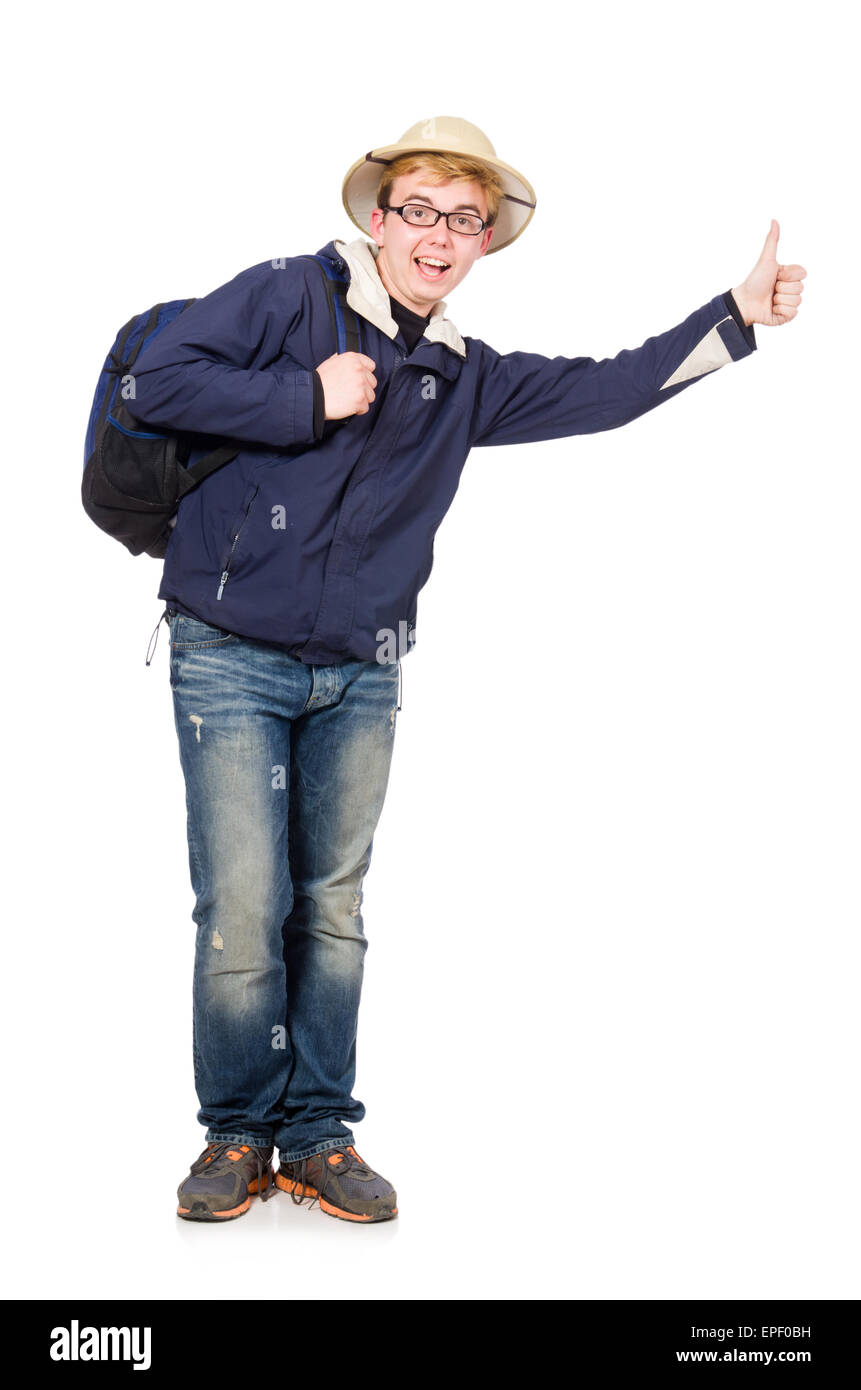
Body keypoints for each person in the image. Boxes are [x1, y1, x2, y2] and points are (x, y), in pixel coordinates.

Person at [126, 116, 806, 1224]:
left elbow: (610, 389)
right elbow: (159, 385)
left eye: (466, 219)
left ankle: (317, 1134)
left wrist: (733, 320)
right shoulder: (284, 295)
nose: (440, 235)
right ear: (380, 219)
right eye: (422, 211)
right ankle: (236, 1134)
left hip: (364, 671)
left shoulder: (462, 375)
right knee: (243, 905)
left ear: (483, 242)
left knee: (332, 908)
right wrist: (307, 397)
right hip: (227, 655)